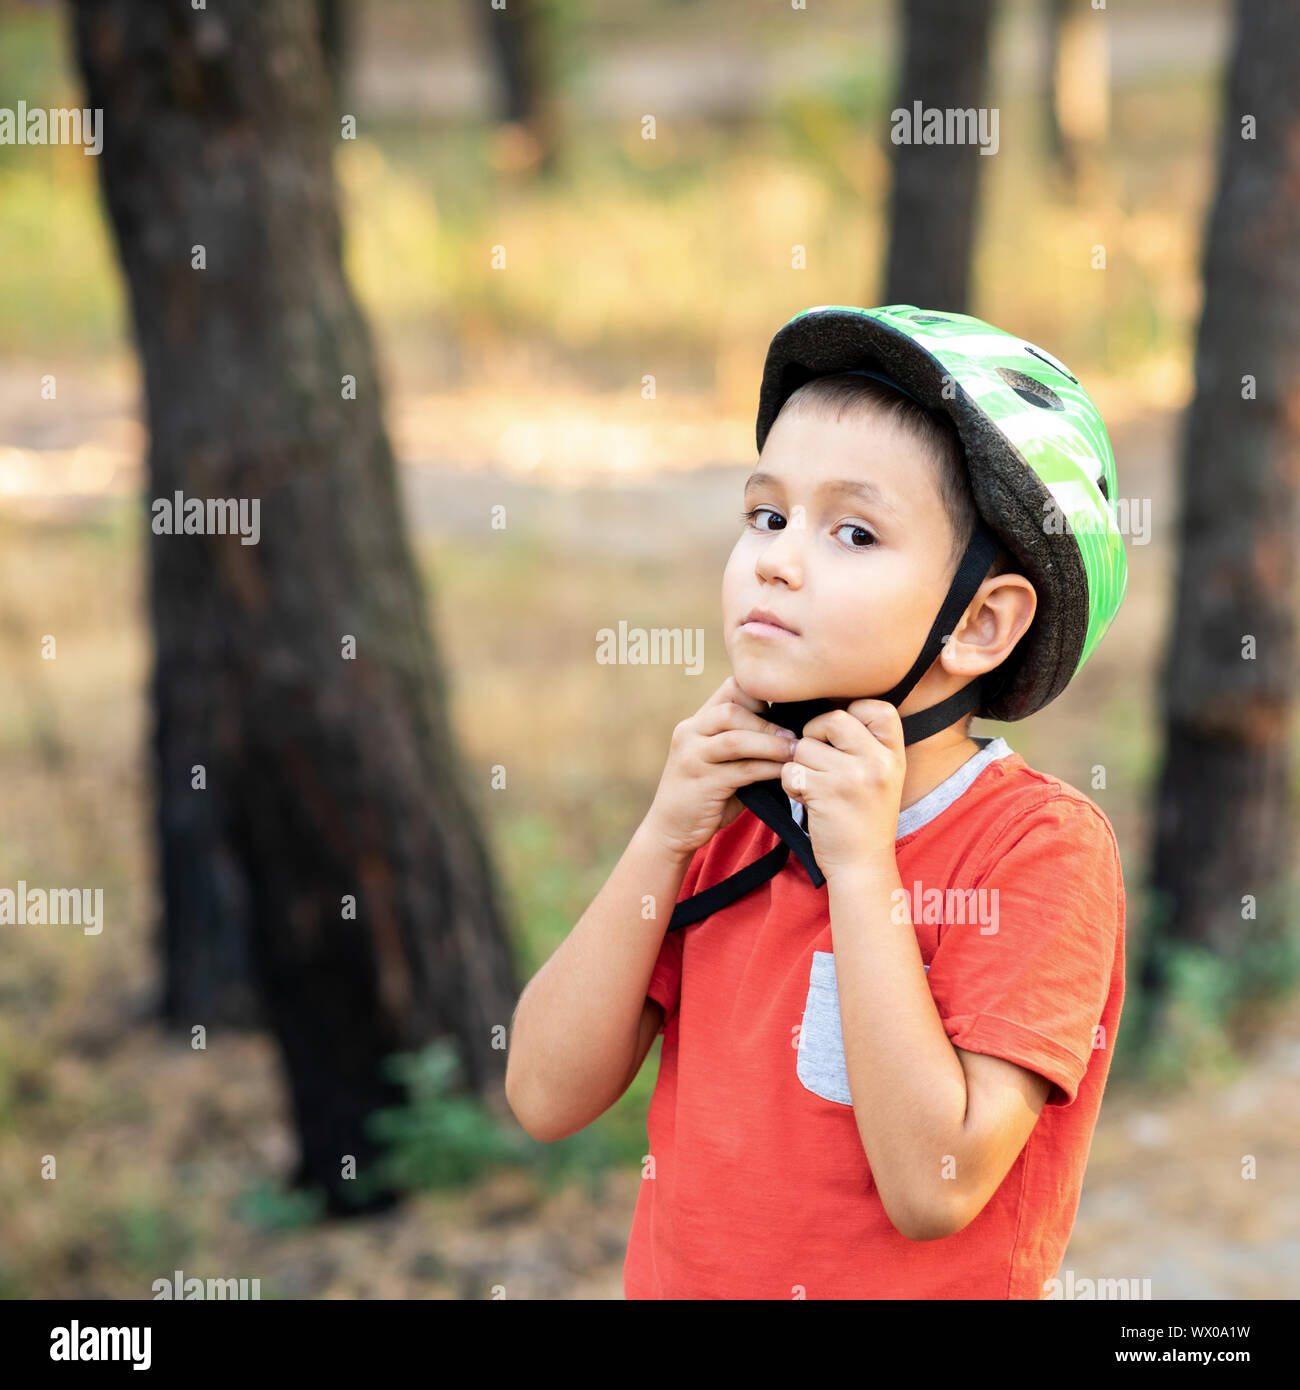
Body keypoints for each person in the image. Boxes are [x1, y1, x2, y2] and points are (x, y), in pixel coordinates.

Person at [505, 304, 1129, 1300]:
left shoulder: (1036, 850)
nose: (778, 558)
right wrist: (664, 835)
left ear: (979, 622)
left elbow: (937, 1185)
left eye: (851, 531)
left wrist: (863, 870)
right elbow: (542, 1094)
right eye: (765, 515)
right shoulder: (729, 816)